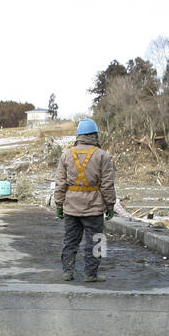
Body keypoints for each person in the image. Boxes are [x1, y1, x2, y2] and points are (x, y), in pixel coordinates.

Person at [54, 118, 117, 282]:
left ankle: (67, 272)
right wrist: (110, 205)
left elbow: (60, 183)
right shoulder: (102, 156)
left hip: (71, 207)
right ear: (95, 135)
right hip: (94, 207)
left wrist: (59, 204)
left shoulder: (66, 155)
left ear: (79, 135)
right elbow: (107, 185)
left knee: (70, 241)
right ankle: (91, 274)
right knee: (97, 241)